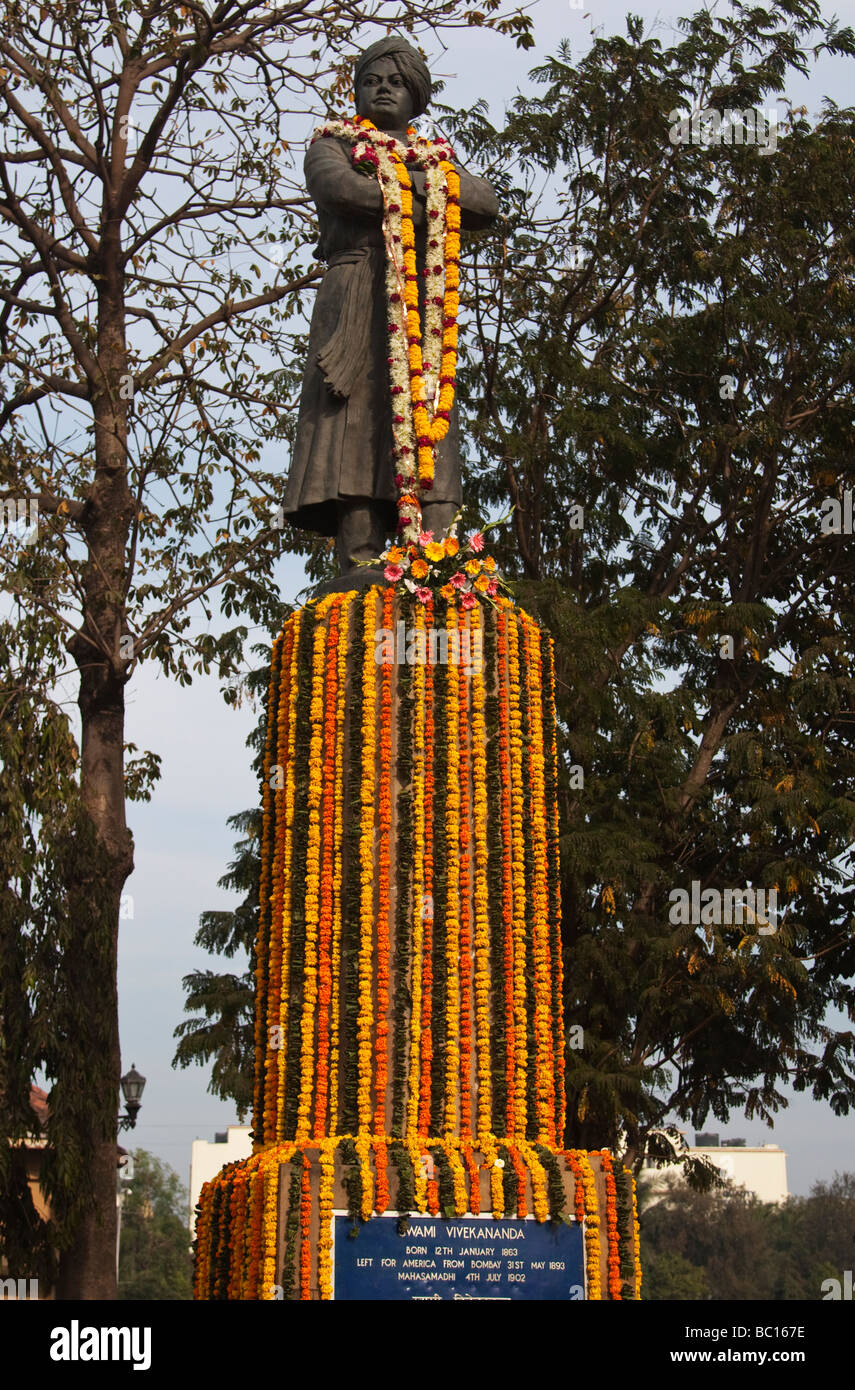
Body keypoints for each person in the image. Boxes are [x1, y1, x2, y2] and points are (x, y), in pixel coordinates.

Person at [281, 36, 499, 577]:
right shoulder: (331, 145)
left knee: (430, 419)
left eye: (396, 81)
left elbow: (484, 203)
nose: (383, 88)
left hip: (422, 308)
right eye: (372, 79)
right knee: (353, 416)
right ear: (355, 91)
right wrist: (431, 193)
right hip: (356, 291)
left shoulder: (436, 157)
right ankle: (359, 559)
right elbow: (342, 193)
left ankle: (436, 557)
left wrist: (409, 181)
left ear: (417, 97)